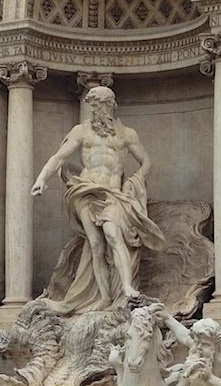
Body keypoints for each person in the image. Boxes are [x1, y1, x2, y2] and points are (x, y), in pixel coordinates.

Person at [32, 85, 167, 314]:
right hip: (85, 191)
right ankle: (104, 297)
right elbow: (59, 157)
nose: (96, 110)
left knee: (113, 235)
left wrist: (133, 181)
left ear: (111, 106)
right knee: (95, 244)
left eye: (100, 105)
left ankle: (126, 288)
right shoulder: (82, 132)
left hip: (113, 193)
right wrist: (42, 178)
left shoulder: (126, 134)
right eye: (93, 105)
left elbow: (146, 162)